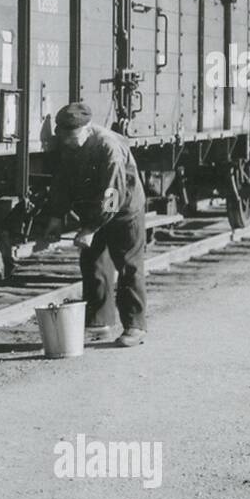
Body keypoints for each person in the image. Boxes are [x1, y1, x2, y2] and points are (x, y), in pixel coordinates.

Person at [42, 103, 148, 347]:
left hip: (123, 212)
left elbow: (112, 196)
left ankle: (135, 326)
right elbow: (62, 182)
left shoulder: (109, 147)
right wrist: (56, 217)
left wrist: (90, 229)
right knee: (93, 264)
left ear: (88, 129)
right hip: (93, 212)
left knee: (129, 267)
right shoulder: (69, 144)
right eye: (64, 136)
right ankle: (100, 322)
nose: (67, 142)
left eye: (72, 137)